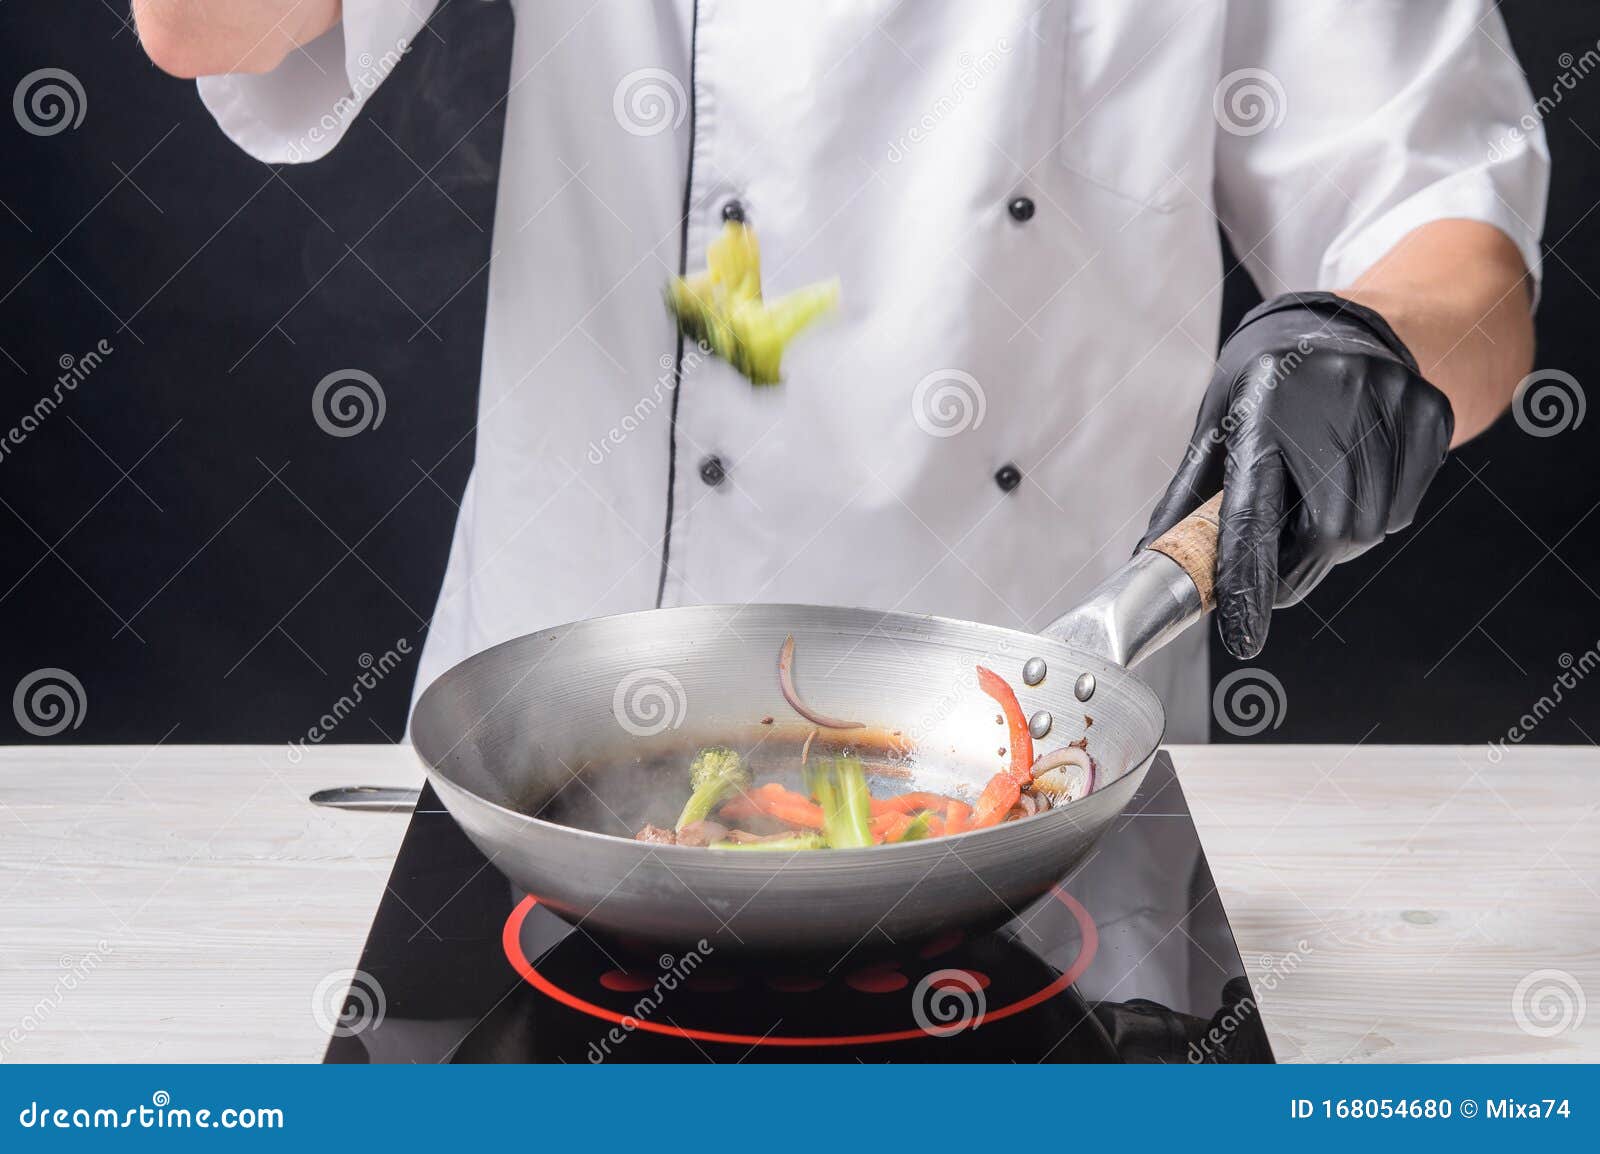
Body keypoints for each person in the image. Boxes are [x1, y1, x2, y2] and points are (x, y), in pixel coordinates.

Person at [134, 1, 1547, 741]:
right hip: (559, 753)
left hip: (1047, 755)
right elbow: (209, 22)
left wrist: (1364, 349)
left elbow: (1454, 251)